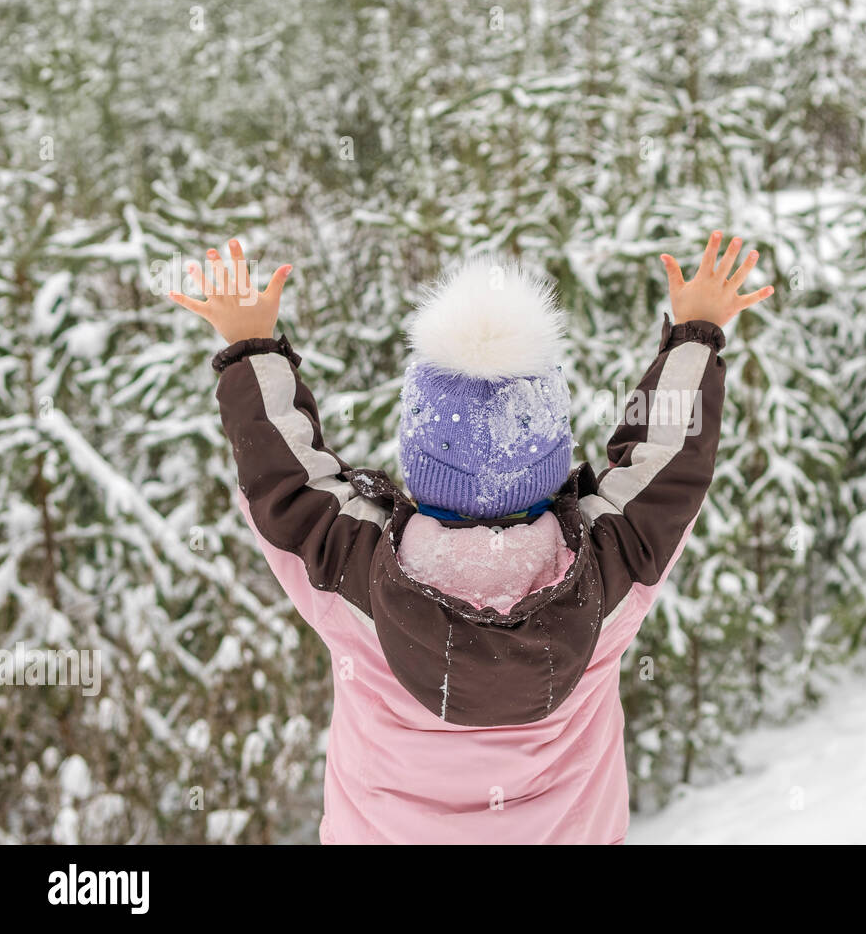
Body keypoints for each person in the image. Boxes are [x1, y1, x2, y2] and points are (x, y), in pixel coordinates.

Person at [167, 232, 773, 843]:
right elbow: (666, 463)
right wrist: (697, 331)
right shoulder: (609, 572)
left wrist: (251, 349)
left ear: (419, 463)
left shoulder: (350, 574)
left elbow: (285, 479)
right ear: (552, 461)